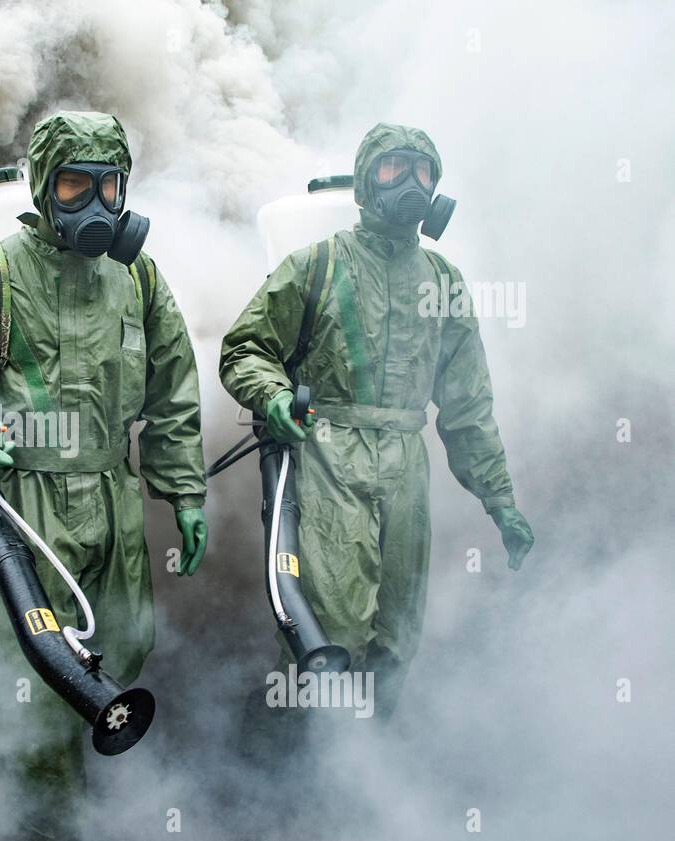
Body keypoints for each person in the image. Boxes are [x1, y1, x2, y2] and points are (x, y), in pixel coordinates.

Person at [0, 111, 207, 841]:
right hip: (25, 502)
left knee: (125, 646)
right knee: (32, 675)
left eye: (111, 185)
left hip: (113, 492)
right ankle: (45, 836)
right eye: (76, 184)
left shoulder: (138, 275)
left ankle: (91, 796)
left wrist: (185, 489)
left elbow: (173, 388)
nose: (97, 205)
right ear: (43, 187)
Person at [220, 124, 533, 723]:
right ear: (367, 180)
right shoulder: (317, 265)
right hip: (327, 453)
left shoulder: (443, 282)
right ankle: (316, 762)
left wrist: (500, 500)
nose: (412, 184)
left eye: (424, 173)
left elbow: (467, 409)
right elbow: (245, 348)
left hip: (406, 462)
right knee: (333, 620)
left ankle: (368, 769)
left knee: (397, 630)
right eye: (396, 169)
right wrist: (276, 396)